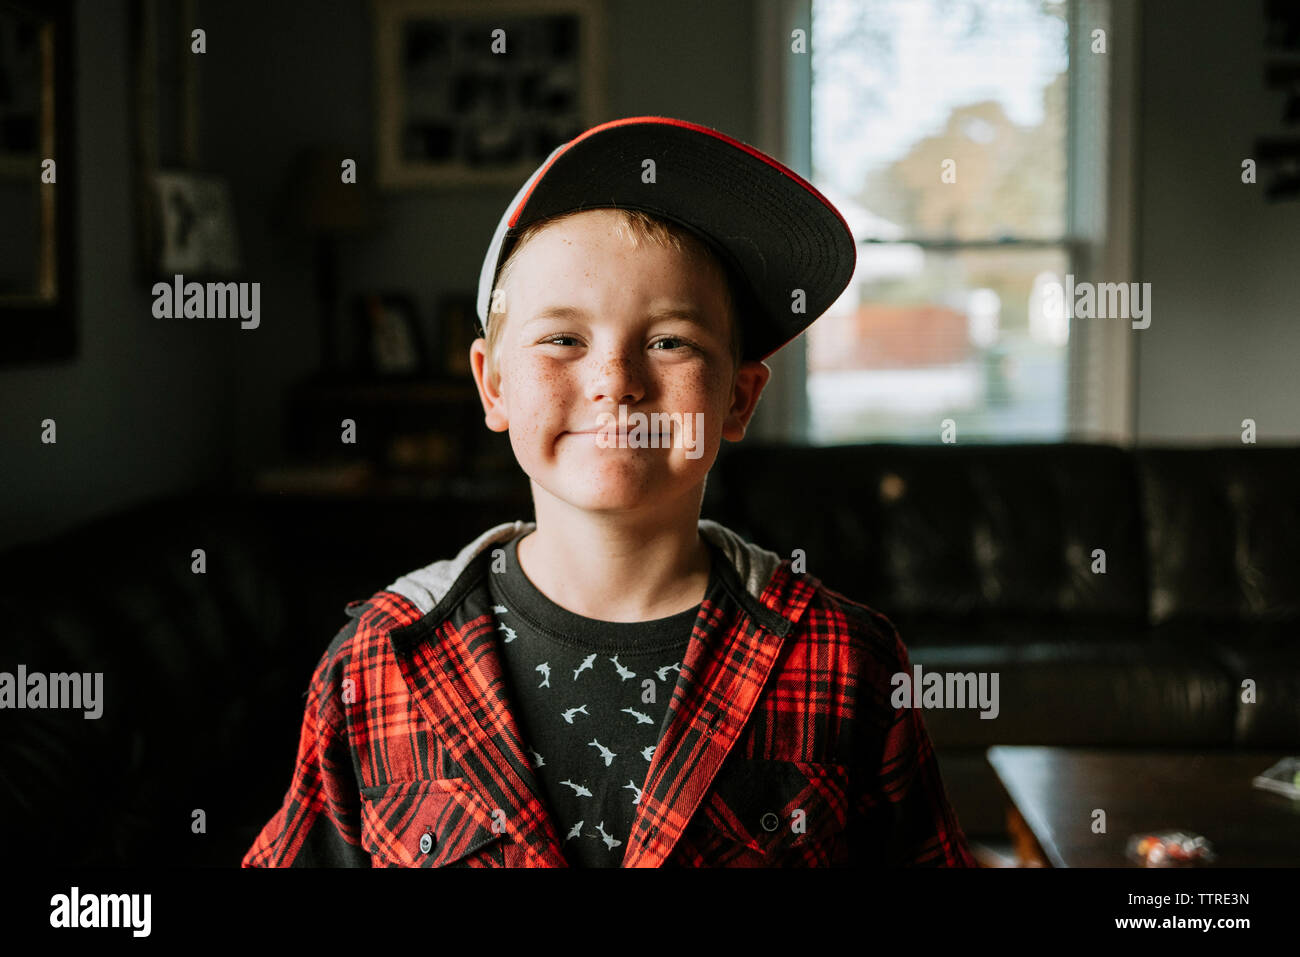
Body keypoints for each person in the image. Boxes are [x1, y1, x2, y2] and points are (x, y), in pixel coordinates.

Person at [243, 115, 977, 868]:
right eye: (562, 338)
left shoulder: (846, 660)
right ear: (493, 385)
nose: (616, 382)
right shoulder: (375, 660)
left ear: (739, 397)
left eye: (671, 342)